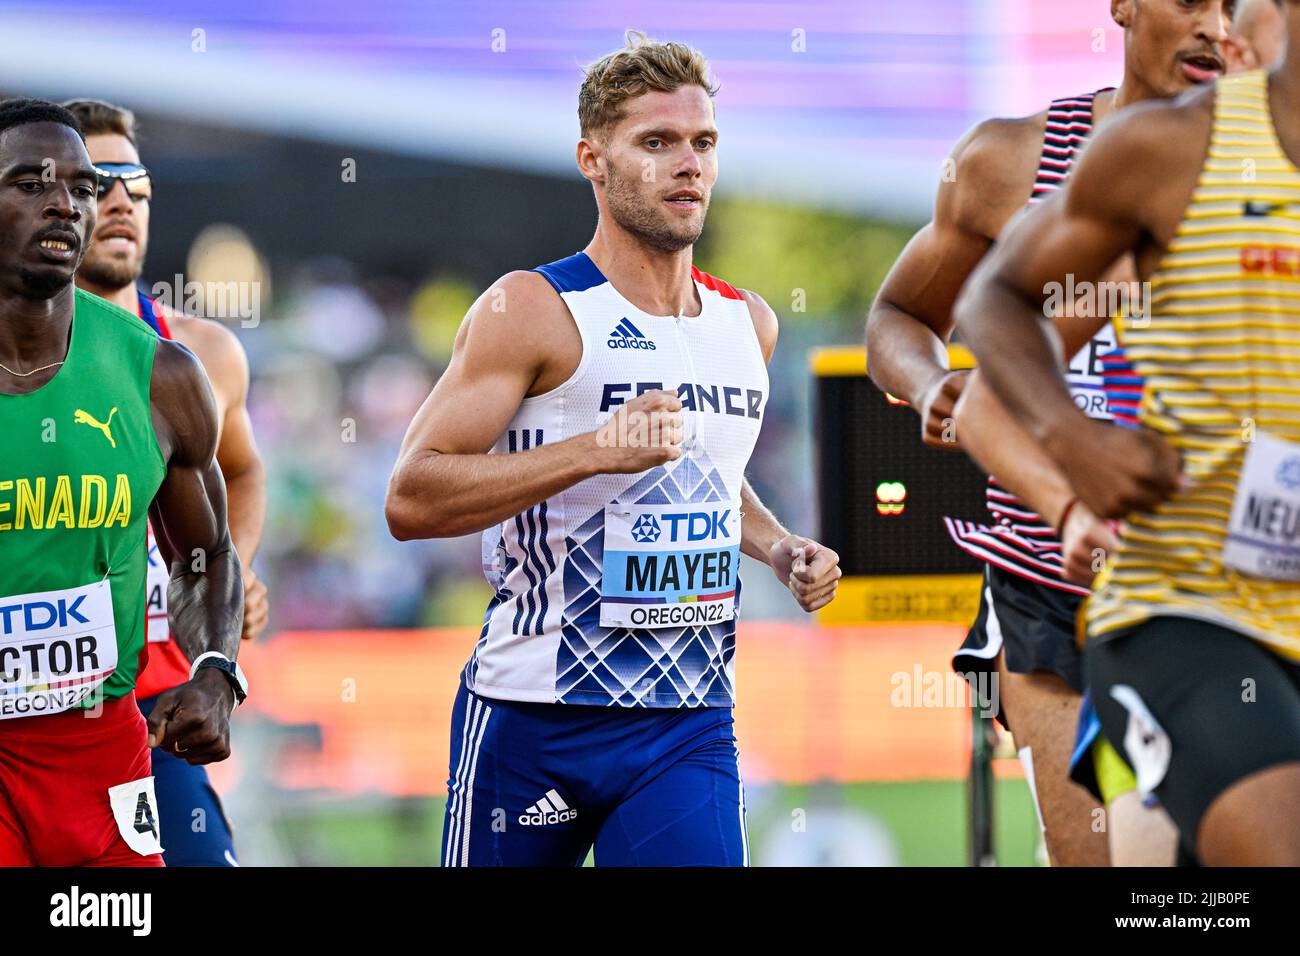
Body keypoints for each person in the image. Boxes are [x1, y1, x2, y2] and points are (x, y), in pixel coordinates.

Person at [386, 32, 841, 867]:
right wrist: (593, 451)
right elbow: (412, 497)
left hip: (688, 718)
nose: (688, 165)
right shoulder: (531, 307)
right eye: (657, 143)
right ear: (593, 160)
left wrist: (779, 548)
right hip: (535, 719)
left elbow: (711, 477)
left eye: (702, 143)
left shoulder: (751, 324)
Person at [865, 0, 1235, 865]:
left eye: (1236, 5)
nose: (1215, 27)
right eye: (1190, 1)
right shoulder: (1009, 161)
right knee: (1108, 868)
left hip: (1229, 585)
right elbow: (900, 312)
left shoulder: (1266, 167)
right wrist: (932, 386)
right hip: (1054, 590)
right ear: (1123, 4)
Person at [954, 0, 1300, 865]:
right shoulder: (1175, 154)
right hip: (1192, 608)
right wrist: (1074, 457)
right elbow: (992, 323)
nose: (1217, 29)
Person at [0, 98, 246, 867]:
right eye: (31, 182)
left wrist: (215, 672)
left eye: (80, 186)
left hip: (103, 751)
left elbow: (206, 554)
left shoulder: (160, 374)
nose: (65, 204)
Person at [64, 98, 267, 867]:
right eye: (96, 179)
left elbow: (241, 472)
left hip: (159, 702)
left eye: (136, 182)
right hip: (35, 710)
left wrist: (235, 563)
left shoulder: (199, 354)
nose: (120, 199)